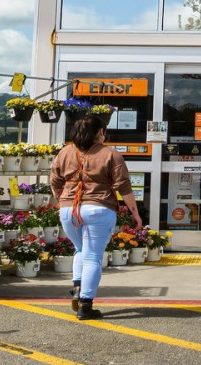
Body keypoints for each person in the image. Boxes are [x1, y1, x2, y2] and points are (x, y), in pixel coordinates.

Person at [50, 114, 144, 320]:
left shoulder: (64, 152)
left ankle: (77, 288)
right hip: (99, 208)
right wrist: (135, 213)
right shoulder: (110, 154)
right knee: (92, 256)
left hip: (68, 210)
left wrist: (63, 201)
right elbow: (124, 187)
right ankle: (86, 305)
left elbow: (55, 181)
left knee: (80, 250)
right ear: (100, 132)